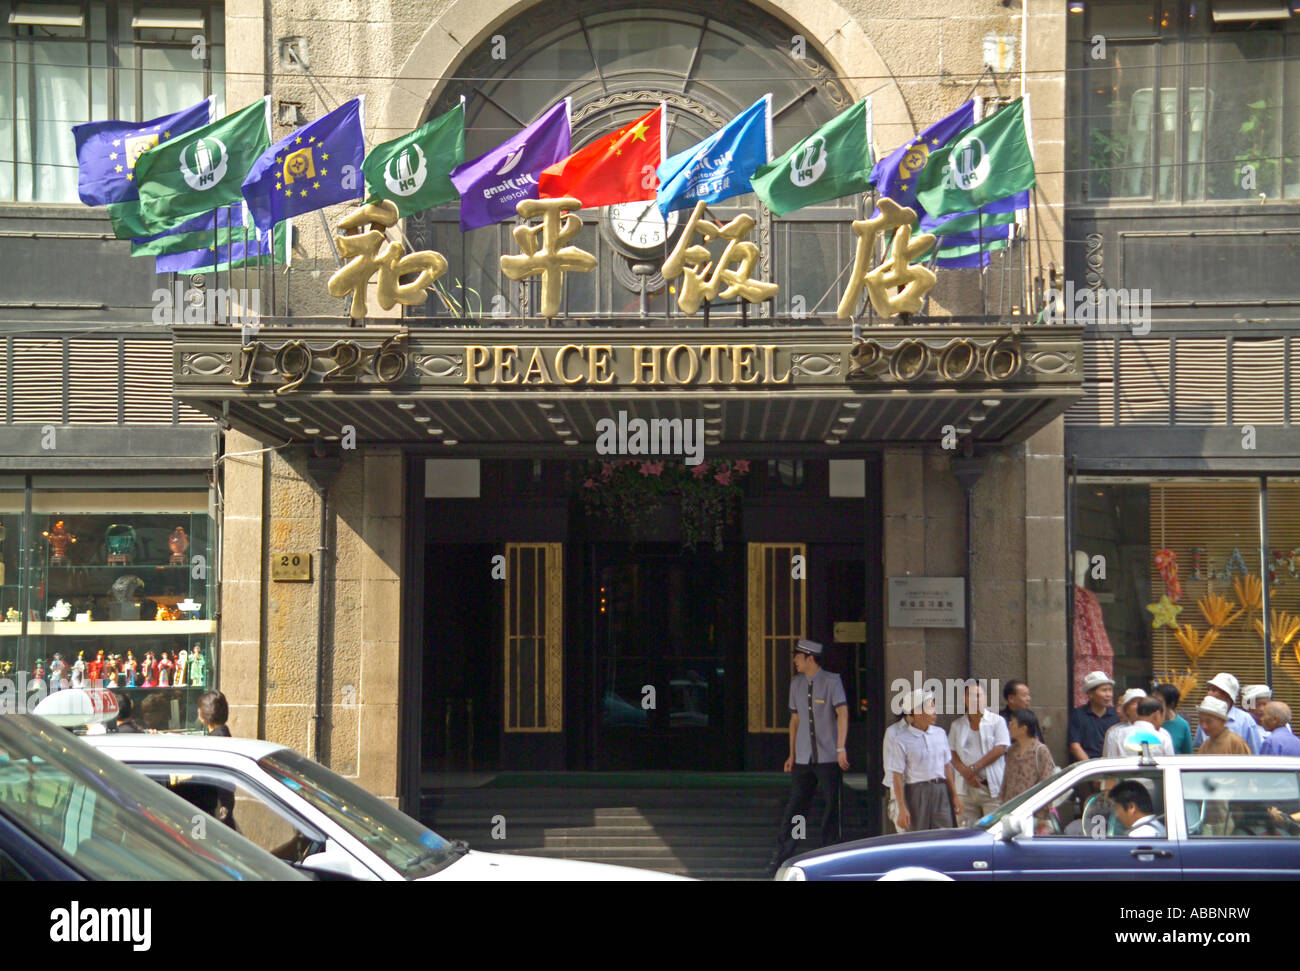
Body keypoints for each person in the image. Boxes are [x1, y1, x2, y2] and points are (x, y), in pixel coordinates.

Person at [767, 639, 849, 874]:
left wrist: (841, 747)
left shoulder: (832, 681)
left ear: (810, 658)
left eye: (798, 657)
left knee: (832, 806)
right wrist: (791, 754)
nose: (795, 661)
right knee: (796, 807)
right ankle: (784, 854)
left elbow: (842, 713)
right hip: (804, 756)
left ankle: (830, 852)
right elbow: (795, 720)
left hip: (828, 756)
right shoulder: (796, 684)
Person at [889, 689, 961, 832]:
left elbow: (947, 767)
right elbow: (897, 775)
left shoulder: (940, 733)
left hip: (940, 789)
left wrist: (955, 796)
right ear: (917, 711)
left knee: (944, 834)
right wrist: (902, 808)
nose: (934, 711)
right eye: (930, 706)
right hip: (916, 792)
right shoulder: (901, 739)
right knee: (918, 836)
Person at [948, 681, 1009, 827]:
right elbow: (951, 752)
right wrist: (966, 773)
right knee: (965, 831)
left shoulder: (997, 721)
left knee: (994, 829)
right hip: (966, 787)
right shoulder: (957, 725)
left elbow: (1001, 747)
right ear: (965, 699)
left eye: (978, 695)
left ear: (985, 698)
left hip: (991, 786)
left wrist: (974, 768)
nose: (975, 700)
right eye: (971, 696)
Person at [1192, 673, 1262, 754]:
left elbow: (1256, 753)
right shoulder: (1205, 718)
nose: (1209, 693)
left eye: (1214, 690)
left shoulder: (1245, 720)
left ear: (1227, 695)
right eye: (1209, 690)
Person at [1000, 709, 1057, 806]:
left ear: (1023, 729)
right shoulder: (1011, 751)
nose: (1009, 726)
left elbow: (1046, 784)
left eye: (1012, 724)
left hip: (1031, 810)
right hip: (1010, 810)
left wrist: (1041, 816)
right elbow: (1006, 780)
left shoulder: (1040, 751)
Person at [1069, 671, 1119, 762]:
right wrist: (1091, 767)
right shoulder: (1079, 715)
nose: (1108, 695)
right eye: (1104, 690)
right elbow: (1075, 746)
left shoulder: (1116, 715)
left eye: (1110, 690)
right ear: (1090, 694)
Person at [1102, 696, 1174, 759]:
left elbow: (1111, 762)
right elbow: (1169, 765)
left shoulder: (1118, 734)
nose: (1162, 721)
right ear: (1157, 715)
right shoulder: (1163, 737)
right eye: (1163, 717)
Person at [882, 711, 910, 832]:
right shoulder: (893, 732)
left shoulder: (932, 732)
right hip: (901, 789)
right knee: (904, 835)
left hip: (923, 790)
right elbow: (890, 768)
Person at [1152, 683, 1194, 755]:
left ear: (1171, 705)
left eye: (1159, 702)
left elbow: (1188, 754)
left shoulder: (1182, 725)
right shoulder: (1149, 722)